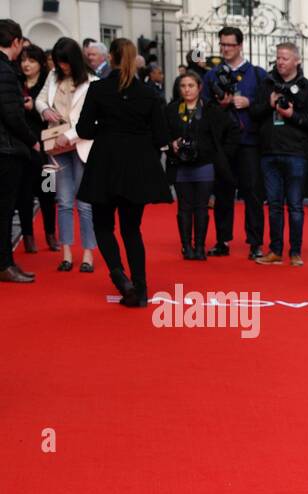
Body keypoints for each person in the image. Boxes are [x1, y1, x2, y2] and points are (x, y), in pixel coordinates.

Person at [76, 37, 171, 307]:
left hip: (105, 162)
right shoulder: (149, 93)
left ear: (113, 58)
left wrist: (105, 129)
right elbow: (161, 135)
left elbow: (83, 130)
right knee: (132, 229)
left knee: (103, 225)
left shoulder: (98, 89)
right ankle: (140, 289)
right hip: (137, 165)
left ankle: (120, 278)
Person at [249, 42, 308, 266]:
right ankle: (275, 250)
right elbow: (253, 113)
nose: (280, 62)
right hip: (269, 152)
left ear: (297, 60)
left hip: (296, 152)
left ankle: (296, 251)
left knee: (296, 206)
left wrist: (293, 115)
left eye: (285, 58)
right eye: (278, 58)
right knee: (273, 205)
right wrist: (268, 105)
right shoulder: (266, 84)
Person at [201, 26, 266, 258]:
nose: (226, 49)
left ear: (240, 45)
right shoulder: (211, 75)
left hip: (249, 140)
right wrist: (221, 105)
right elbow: (204, 108)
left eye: (230, 45)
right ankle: (222, 240)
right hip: (222, 142)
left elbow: (266, 106)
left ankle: (255, 242)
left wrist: (249, 103)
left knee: (252, 192)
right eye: (222, 44)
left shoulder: (258, 74)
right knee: (223, 192)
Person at [36, 37, 98, 273]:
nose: (62, 67)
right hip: (56, 146)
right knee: (62, 201)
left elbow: (93, 118)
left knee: (84, 204)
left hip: (81, 145)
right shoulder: (52, 76)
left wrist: (70, 135)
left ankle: (88, 254)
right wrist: (46, 110)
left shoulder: (92, 81)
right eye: (58, 62)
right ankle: (66, 253)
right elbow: (41, 99)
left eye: (65, 62)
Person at [165, 70, 237, 260]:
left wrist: (221, 153)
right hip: (180, 165)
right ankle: (186, 246)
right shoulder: (171, 110)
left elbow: (232, 129)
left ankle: (199, 247)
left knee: (201, 207)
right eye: (183, 86)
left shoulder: (210, 109)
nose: (187, 90)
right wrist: (171, 144)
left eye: (191, 86)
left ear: (199, 87)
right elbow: (161, 134)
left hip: (205, 164)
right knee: (184, 207)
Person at [0, 19, 40, 284]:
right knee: (5, 211)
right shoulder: (5, 71)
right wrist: (32, 140)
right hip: (6, 150)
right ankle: (5, 264)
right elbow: (12, 115)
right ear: (15, 42)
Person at [17, 43, 57, 253]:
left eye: (31, 61)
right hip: (23, 148)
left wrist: (34, 108)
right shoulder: (16, 82)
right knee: (24, 194)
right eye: (23, 60)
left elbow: (53, 114)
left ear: (40, 63)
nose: (26, 65)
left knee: (48, 193)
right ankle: (28, 236)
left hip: (46, 148)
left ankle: (51, 234)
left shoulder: (48, 85)